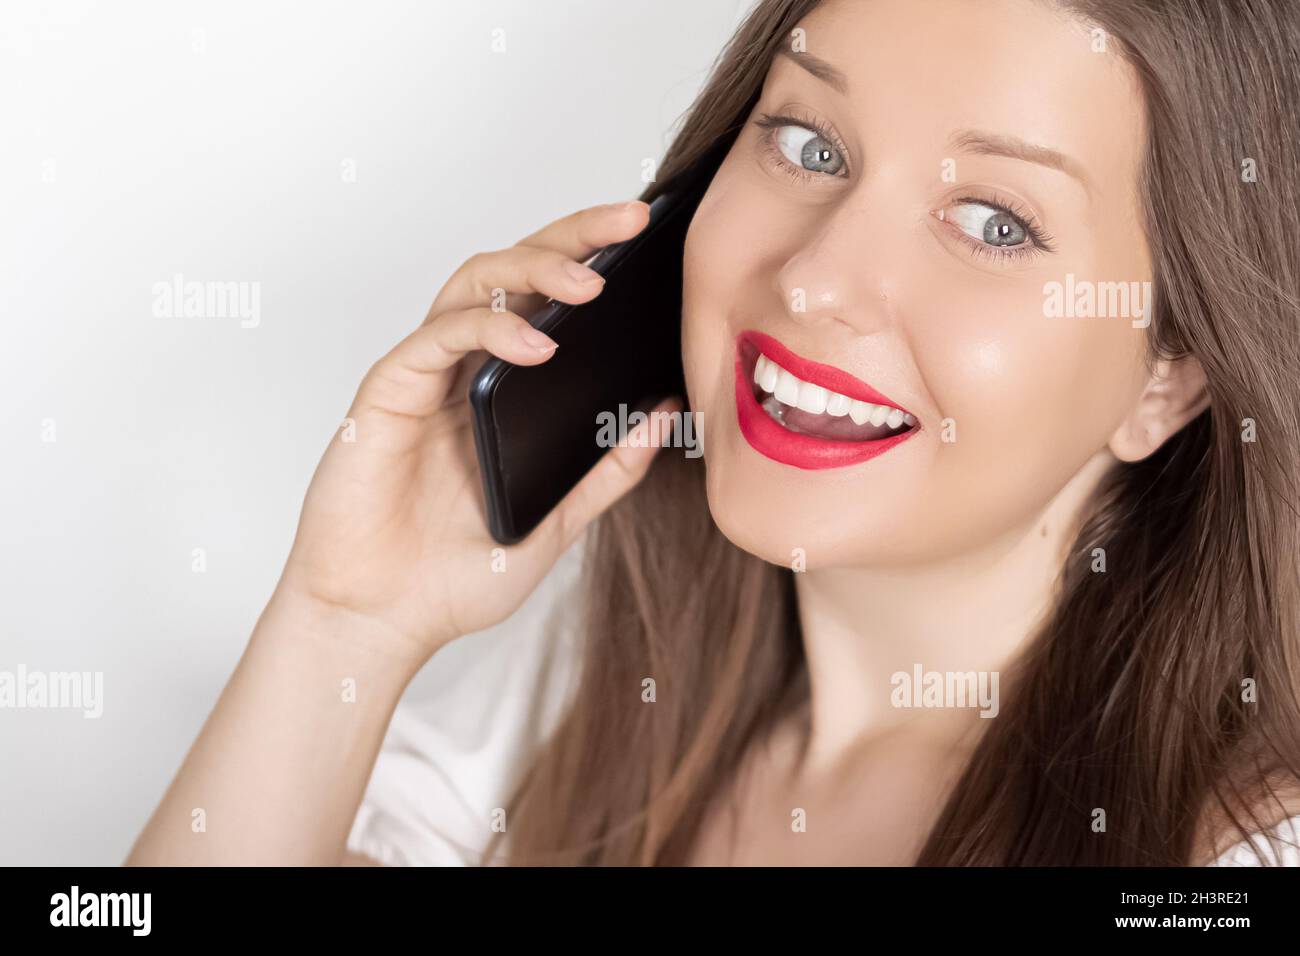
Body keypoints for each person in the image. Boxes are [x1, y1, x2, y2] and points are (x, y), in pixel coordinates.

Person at [128, 0, 1300, 866]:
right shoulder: (559, 711)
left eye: (993, 220)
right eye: (808, 146)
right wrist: (347, 625)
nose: (815, 277)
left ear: (1170, 380)